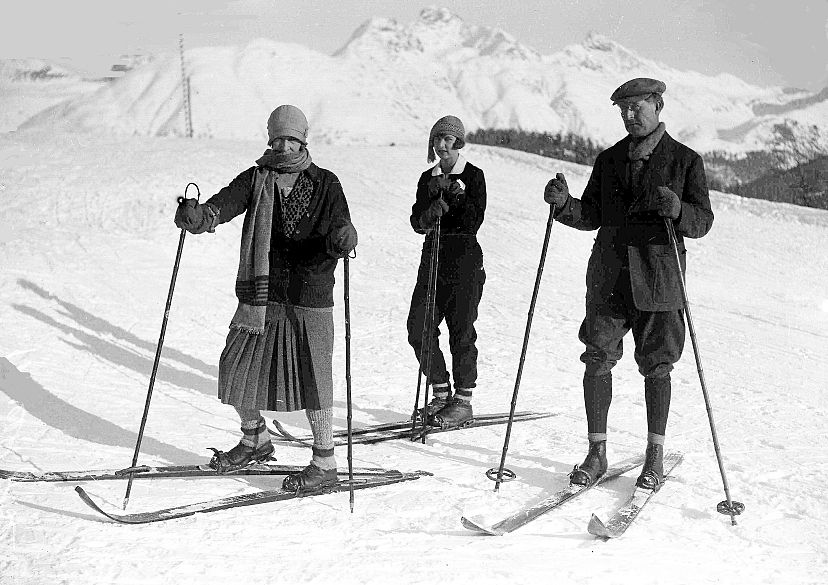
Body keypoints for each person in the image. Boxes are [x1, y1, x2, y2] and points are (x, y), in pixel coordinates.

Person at [174, 104, 358, 492]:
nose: (285, 146)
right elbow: (220, 207)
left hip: (311, 293)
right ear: (270, 139)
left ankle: (325, 463)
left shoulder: (326, 182)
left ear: (303, 140)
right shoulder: (256, 179)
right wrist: (199, 217)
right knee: (236, 364)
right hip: (264, 294)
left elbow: (342, 223)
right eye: (279, 138)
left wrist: (344, 237)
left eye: (293, 138)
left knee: (315, 379)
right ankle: (254, 438)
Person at [543, 78, 713, 489]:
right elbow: (591, 215)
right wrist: (564, 205)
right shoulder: (608, 159)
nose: (629, 115)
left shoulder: (685, 161)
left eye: (636, 107)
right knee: (597, 358)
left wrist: (678, 210)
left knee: (658, 366)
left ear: (657, 105)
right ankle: (596, 453)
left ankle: (653, 458)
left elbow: (702, 221)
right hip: (608, 279)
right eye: (622, 109)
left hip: (660, 278)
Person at [407, 115, 487, 428]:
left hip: (464, 259)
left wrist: (457, 197)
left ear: (459, 142)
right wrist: (429, 212)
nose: (442, 145)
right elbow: (416, 222)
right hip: (433, 258)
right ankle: (441, 394)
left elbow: (474, 220)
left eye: (448, 139)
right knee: (418, 326)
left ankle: (463, 402)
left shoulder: (474, 175)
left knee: (461, 330)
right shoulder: (428, 178)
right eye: (438, 139)